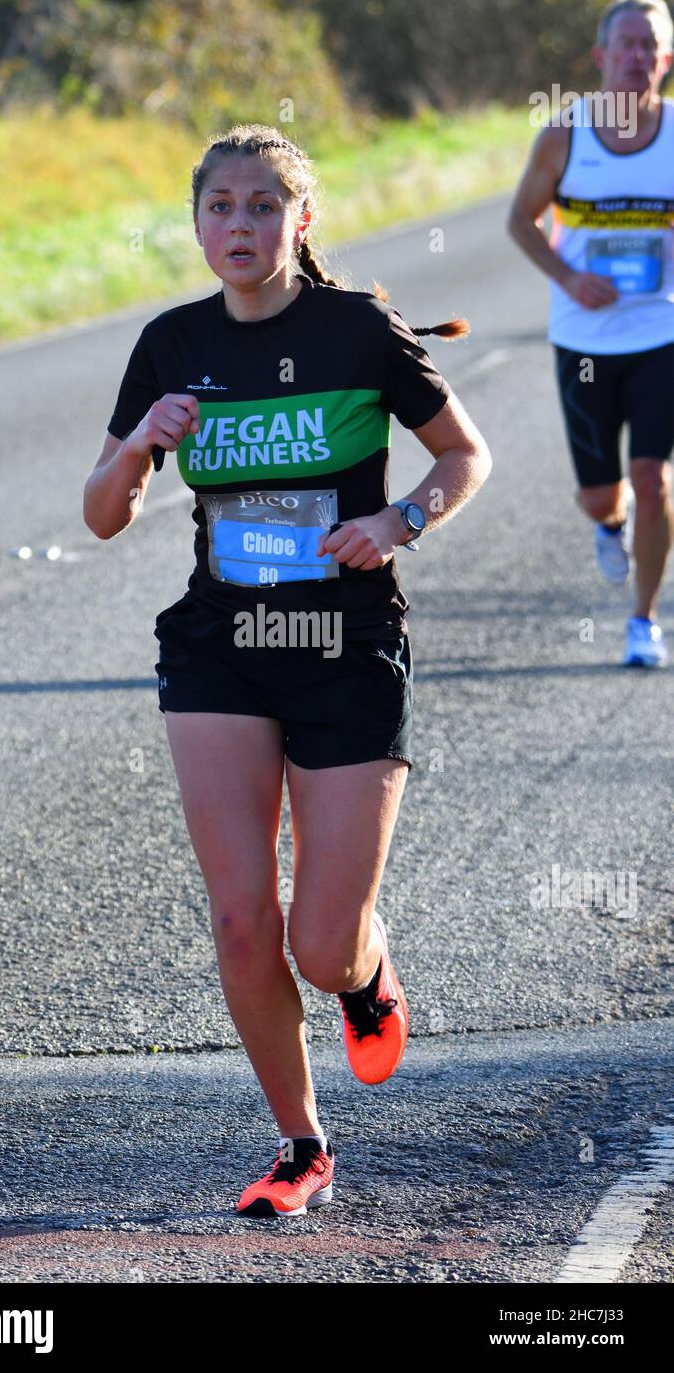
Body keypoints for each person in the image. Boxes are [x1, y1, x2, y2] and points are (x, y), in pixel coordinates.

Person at [83, 123, 491, 1219]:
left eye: (264, 206)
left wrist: (400, 517)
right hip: (221, 648)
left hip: (344, 649)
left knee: (317, 941)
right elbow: (102, 516)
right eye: (221, 206)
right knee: (236, 922)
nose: (241, 226)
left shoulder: (356, 331)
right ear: (197, 222)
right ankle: (300, 1142)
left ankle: (362, 971)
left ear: (300, 222)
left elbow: (465, 453)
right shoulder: (169, 344)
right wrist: (136, 447)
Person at [507, 0, 674, 667]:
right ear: (603, 56)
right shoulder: (565, 135)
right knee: (601, 492)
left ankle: (644, 620)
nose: (638, 56)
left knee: (653, 477)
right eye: (626, 44)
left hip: (661, 333)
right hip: (583, 339)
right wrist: (570, 278)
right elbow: (520, 221)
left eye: (650, 45)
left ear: (666, 59)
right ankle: (610, 524)